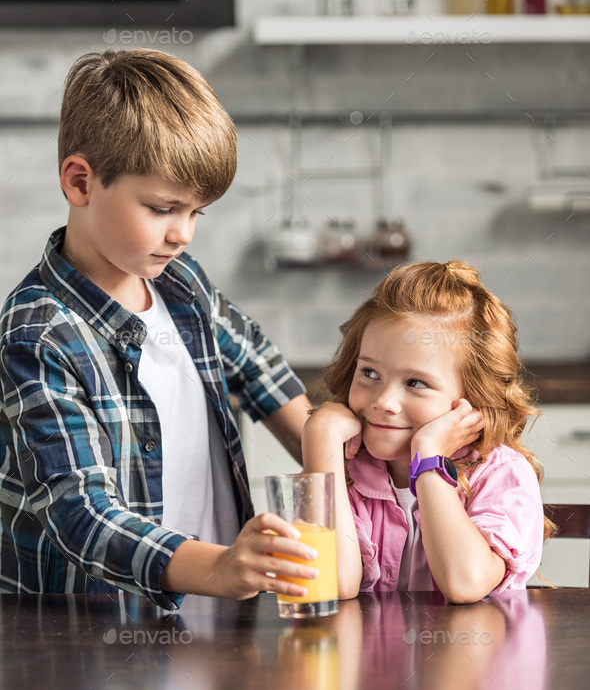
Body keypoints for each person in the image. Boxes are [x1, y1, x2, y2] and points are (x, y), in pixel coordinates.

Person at [0, 49, 318, 611]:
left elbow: (261, 371)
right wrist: (221, 565)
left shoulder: (181, 284)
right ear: (80, 182)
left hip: (219, 623)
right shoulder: (38, 334)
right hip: (95, 650)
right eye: (163, 207)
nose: (183, 234)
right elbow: (83, 515)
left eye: (197, 213)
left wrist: (353, 459)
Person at [302, 260, 550, 604]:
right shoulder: (346, 469)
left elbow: (465, 583)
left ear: (473, 398)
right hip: (370, 659)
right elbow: (332, 584)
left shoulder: (502, 475)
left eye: (416, 382)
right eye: (370, 373)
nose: (384, 402)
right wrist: (321, 439)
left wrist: (430, 456)